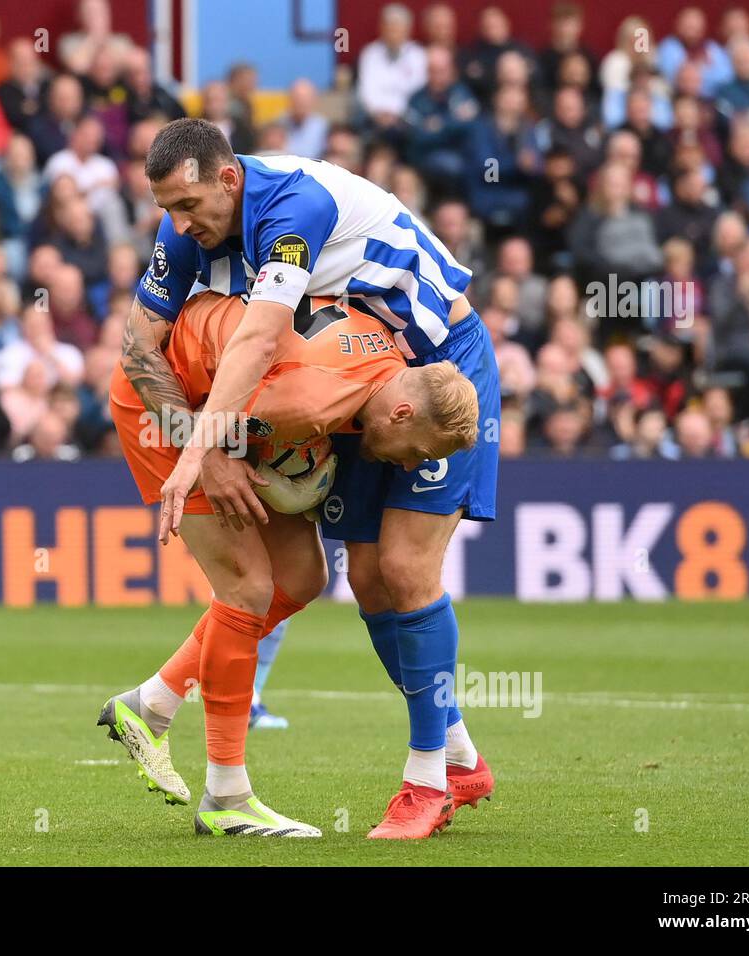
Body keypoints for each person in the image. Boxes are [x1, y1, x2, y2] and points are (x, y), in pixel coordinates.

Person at [131, 118, 499, 839]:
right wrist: (203, 447)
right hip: (360, 380)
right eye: (165, 209)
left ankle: (428, 779)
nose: (177, 224)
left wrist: (202, 445)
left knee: (403, 566)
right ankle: (458, 754)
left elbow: (261, 337)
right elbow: (135, 344)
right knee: (365, 576)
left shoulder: (293, 210)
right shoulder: (186, 232)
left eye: (188, 206)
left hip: (434, 375)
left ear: (229, 178)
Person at [101, 288, 479, 837]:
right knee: (248, 587)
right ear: (402, 412)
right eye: (418, 451)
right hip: (163, 401)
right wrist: (213, 455)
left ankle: (152, 703)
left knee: (302, 577)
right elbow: (219, 415)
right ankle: (227, 795)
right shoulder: (307, 405)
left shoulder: (385, 363)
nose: (409, 465)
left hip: (219, 392)